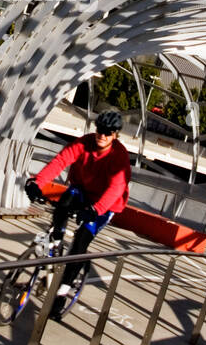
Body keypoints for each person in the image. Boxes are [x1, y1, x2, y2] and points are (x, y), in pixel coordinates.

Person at [24, 109, 131, 319]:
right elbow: (60, 161)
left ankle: (62, 292)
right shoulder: (85, 143)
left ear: (116, 135)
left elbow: (116, 189)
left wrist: (95, 211)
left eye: (108, 132)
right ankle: (56, 238)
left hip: (105, 204)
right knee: (66, 200)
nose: (102, 135)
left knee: (80, 243)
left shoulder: (119, 158)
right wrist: (38, 183)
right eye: (100, 130)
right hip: (82, 191)